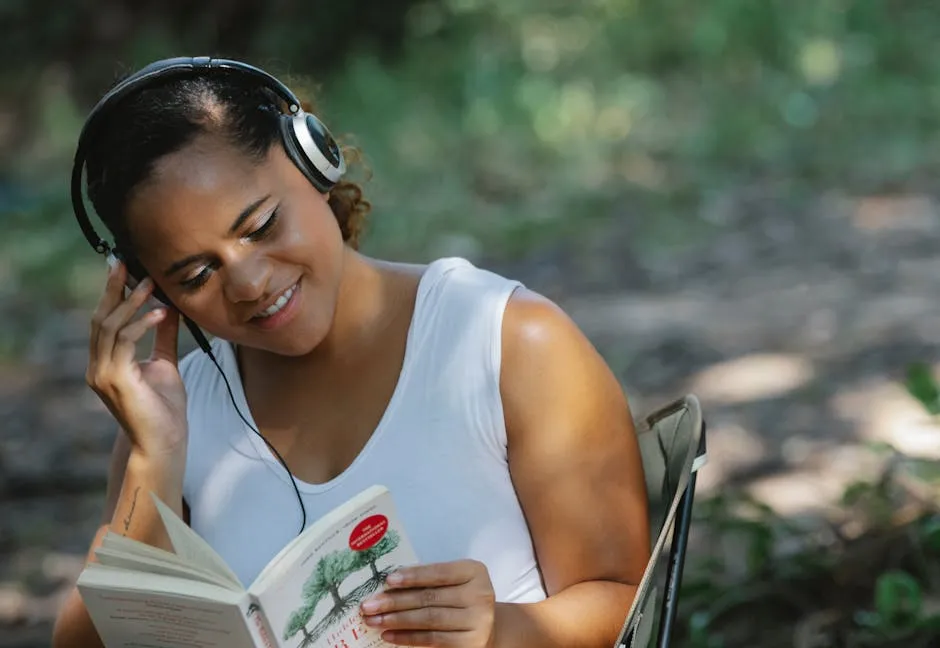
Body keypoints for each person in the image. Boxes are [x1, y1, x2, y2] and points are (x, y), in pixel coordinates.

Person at [51, 57, 650, 648]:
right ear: (147, 289)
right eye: (196, 274)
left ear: (313, 159)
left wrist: (505, 631)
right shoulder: (175, 417)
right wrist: (153, 459)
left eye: (260, 226)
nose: (250, 283)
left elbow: (627, 600)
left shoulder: (511, 343)